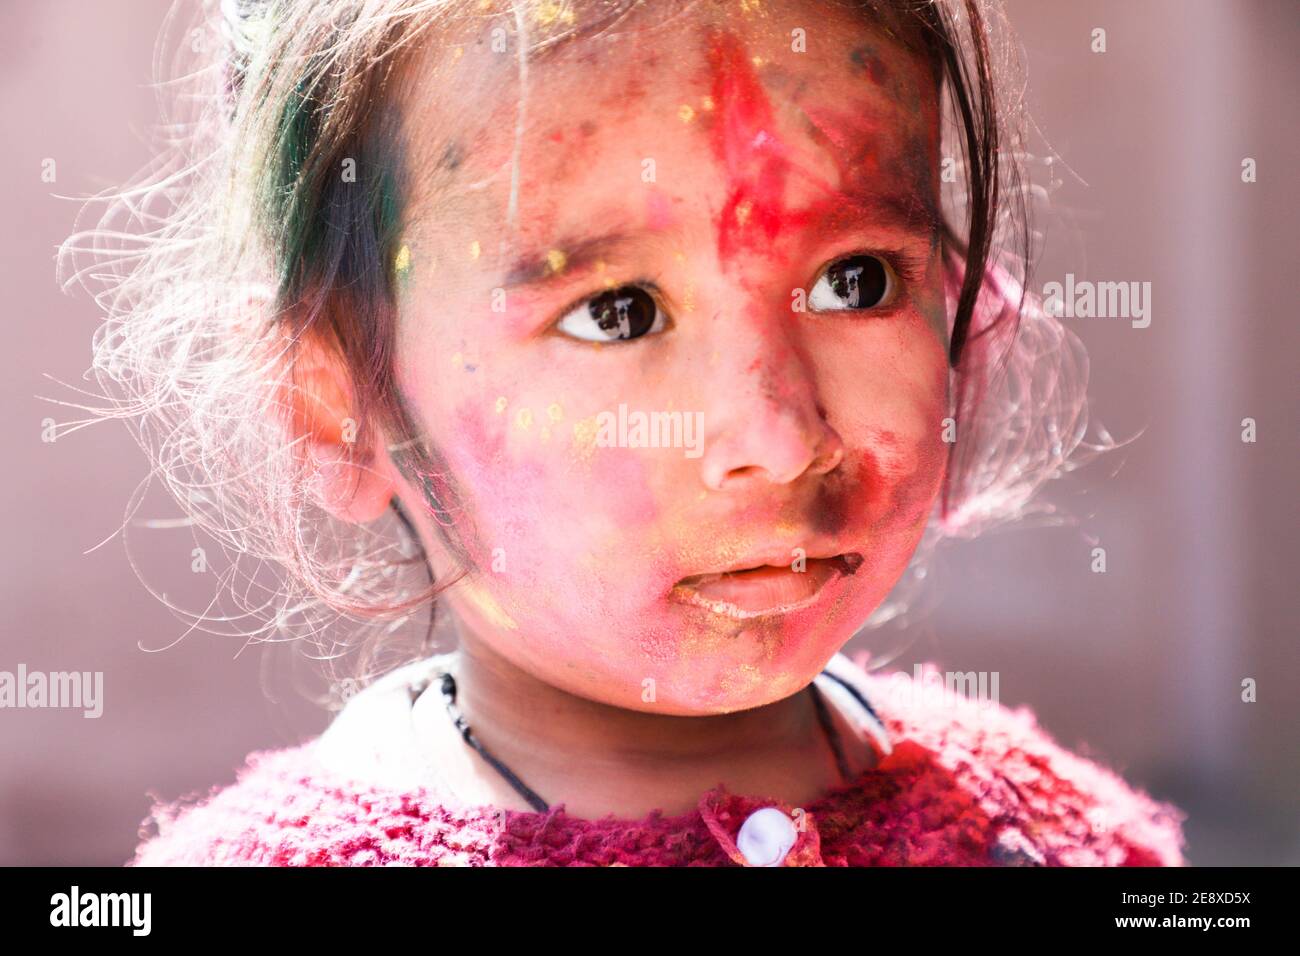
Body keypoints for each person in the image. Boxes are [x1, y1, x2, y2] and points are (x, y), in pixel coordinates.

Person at [63, 0, 1186, 866]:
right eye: (617, 312)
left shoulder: (1061, 830)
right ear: (340, 403)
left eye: (854, 280)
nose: (777, 434)